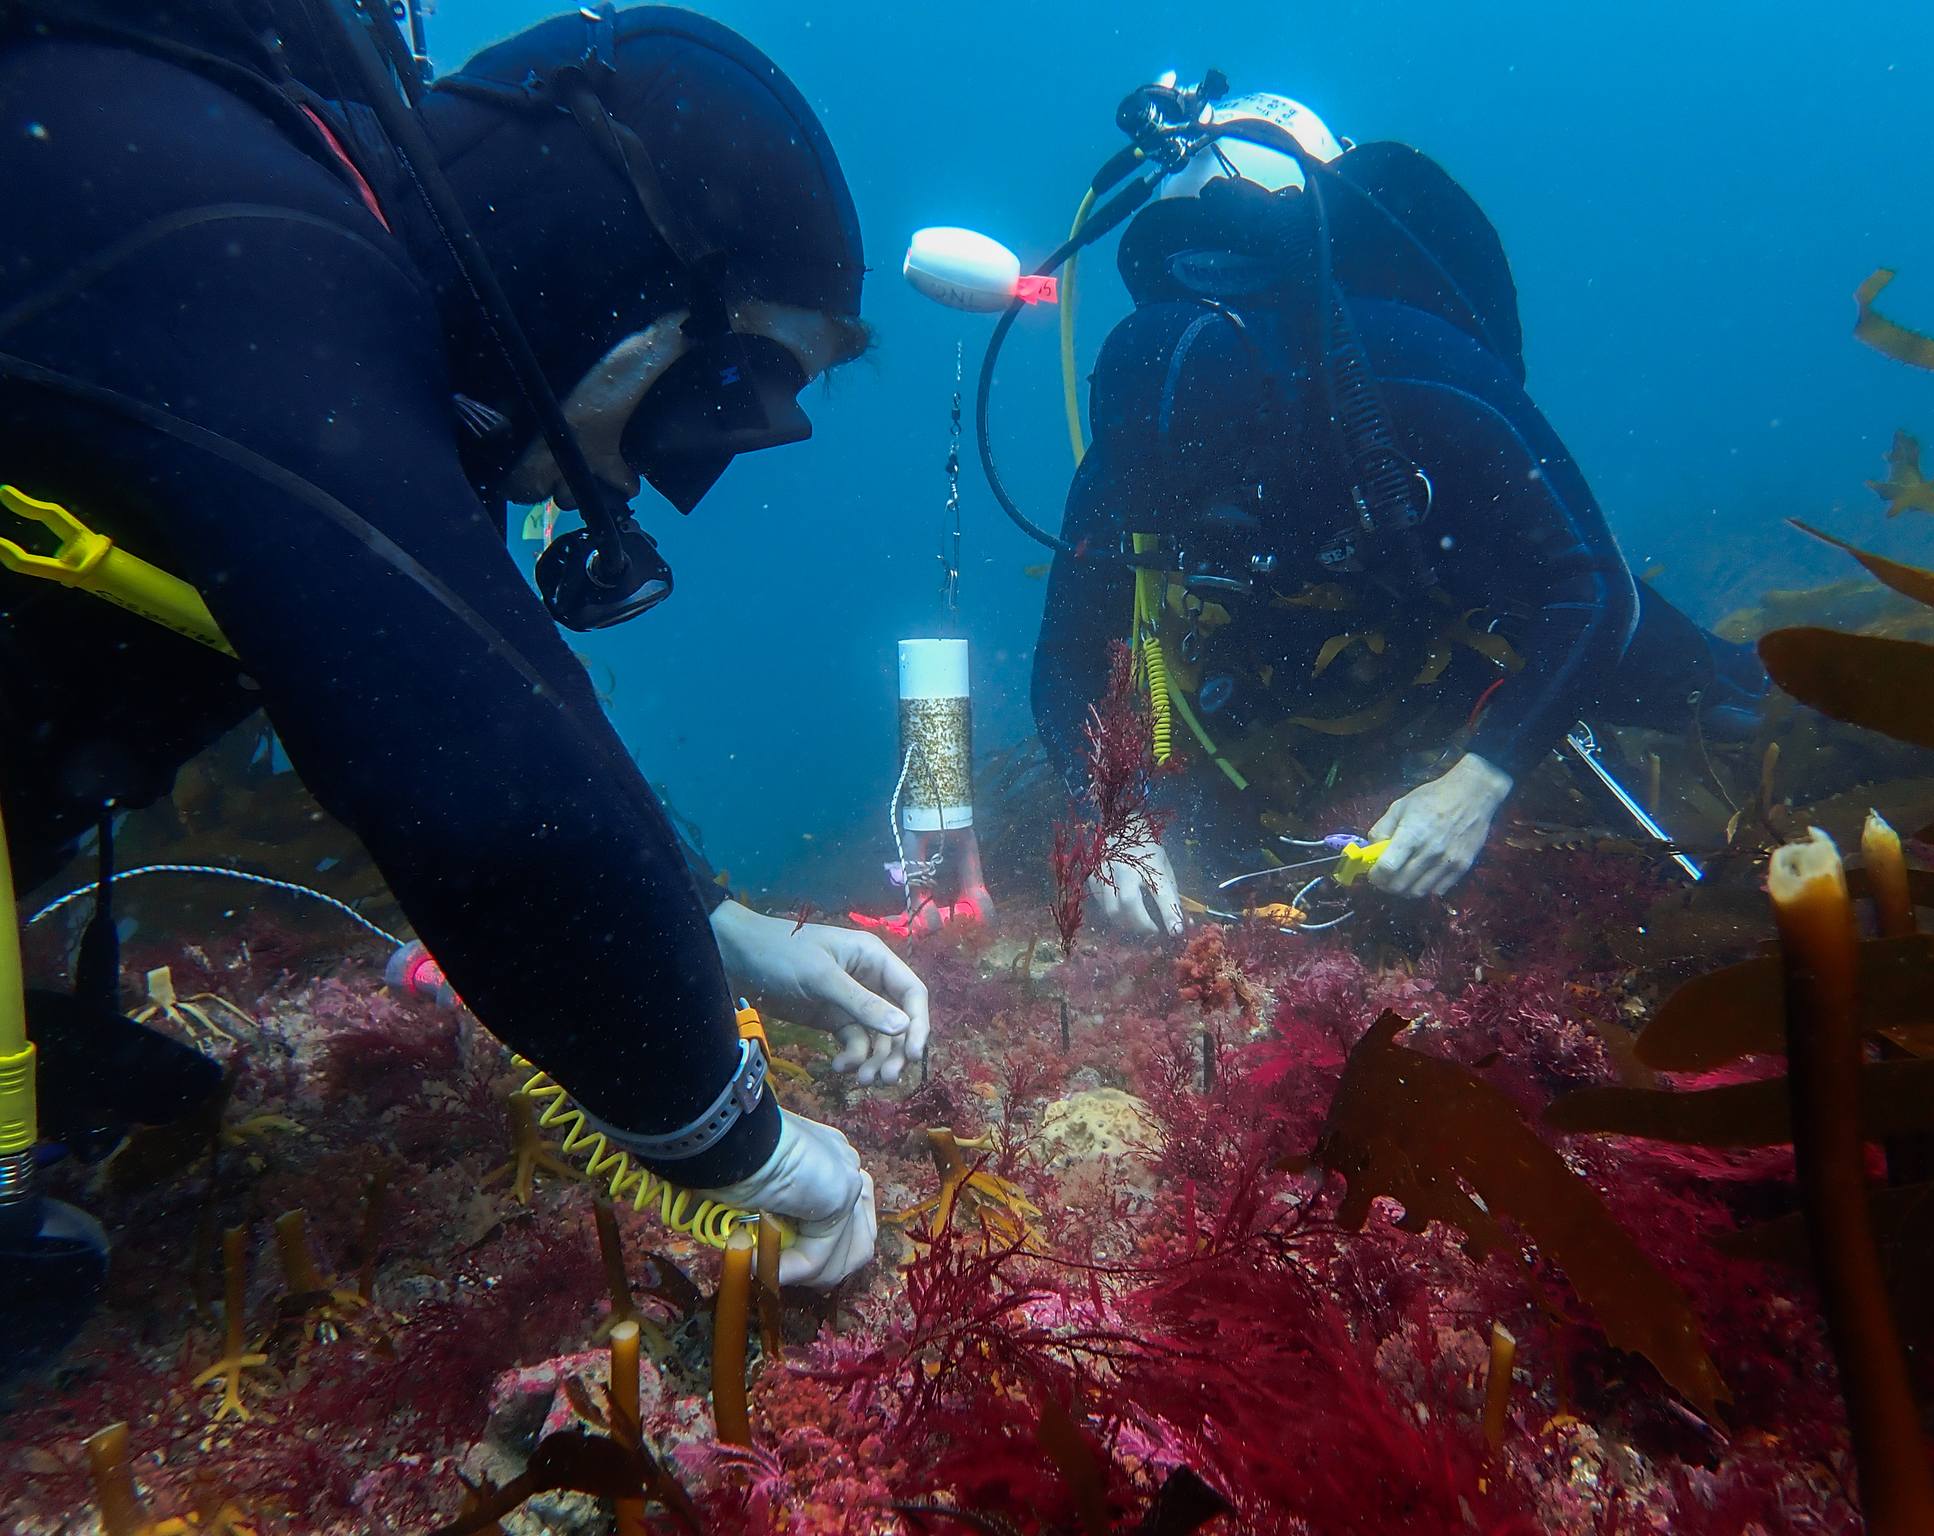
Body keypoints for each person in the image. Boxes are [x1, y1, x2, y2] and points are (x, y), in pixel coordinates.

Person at [0, 2, 924, 1288]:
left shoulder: (316, 305)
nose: (686, 472)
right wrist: (750, 1152)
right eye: (727, 393)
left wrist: (721, 921)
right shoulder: (242, 247)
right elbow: (486, 789)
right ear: (606, 270)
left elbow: (475, 688)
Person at [1031, 90, 1767, 934]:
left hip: (1480, 631)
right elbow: (1068, 661)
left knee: (1742, 709)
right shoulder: (1149, 406)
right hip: (1288, 691)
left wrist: (1478, 782)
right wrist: (1119, 822)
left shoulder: (1409, 364)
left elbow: (1595, 591)